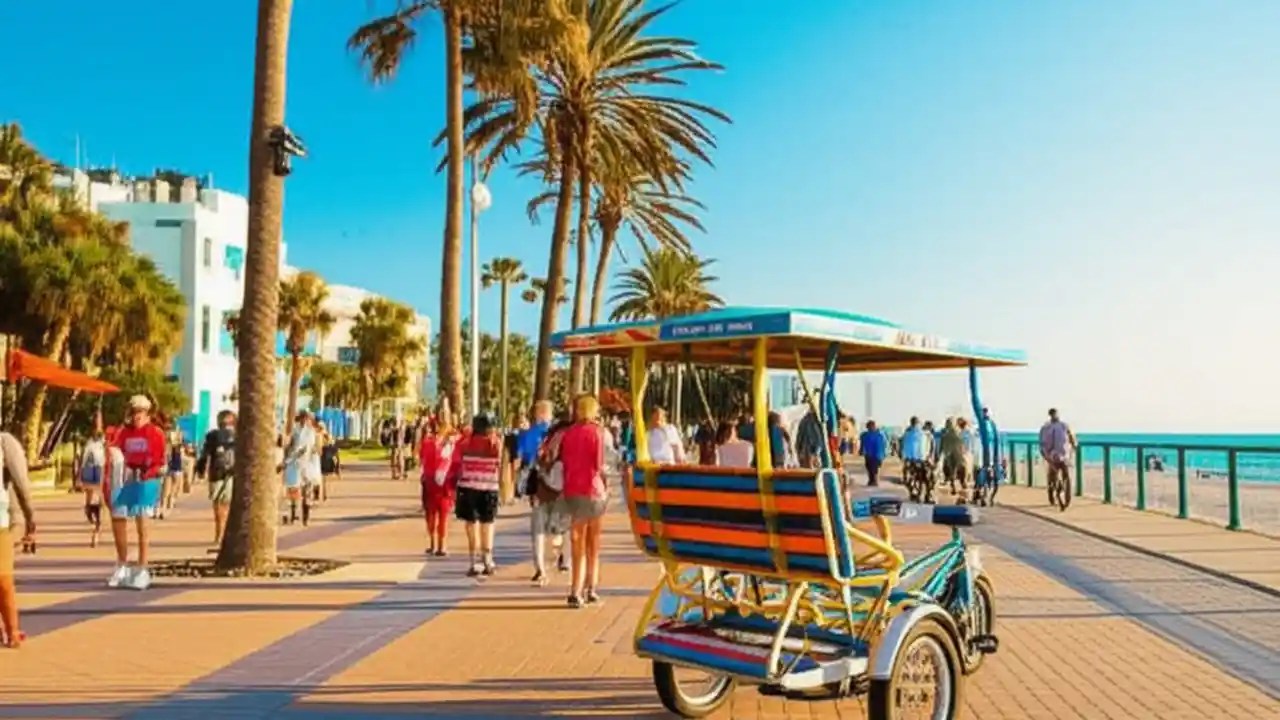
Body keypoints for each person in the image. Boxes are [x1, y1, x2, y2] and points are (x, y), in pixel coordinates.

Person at [107, 395, 166, 590]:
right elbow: (114, 451)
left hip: (147, 480)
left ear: (148, 414)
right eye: (133, 412)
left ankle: (142, 568)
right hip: (126, 478)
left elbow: (159, 461)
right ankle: (122, 563)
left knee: (142, 524)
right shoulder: (124, 433)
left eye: (140, 412)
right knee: (118, 520)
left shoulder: (155, 433)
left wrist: (147, 472)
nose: (136, 416)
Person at [559, 395, 610, 608]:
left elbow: (565, 461)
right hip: (593, 489)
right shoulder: (596, 433)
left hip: (572, 488)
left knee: (577, 540)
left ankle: (575, 589)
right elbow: (599, 464)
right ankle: (591, 586)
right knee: (594, 542)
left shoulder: (568, 434)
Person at [520, 402, 568, 583]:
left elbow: (525, 457)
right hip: (561, 487)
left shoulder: (532, 433)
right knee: (562, 525)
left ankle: (540, 567)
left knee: (538, 528)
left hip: (540, 486)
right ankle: (562, 556)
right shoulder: (560, 433)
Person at [1, 431, 37, 647]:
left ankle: (12, 630)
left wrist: (28, 516)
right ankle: (11, 631)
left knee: (3, 578)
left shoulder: (4, 442)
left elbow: (21, 484)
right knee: (3, 580)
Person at [455, 413, 502, 577]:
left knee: (471, 524)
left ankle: (473, 562)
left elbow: (456, 460)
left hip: (468, 487)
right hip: (490, 487)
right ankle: (487, 559)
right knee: (488, 523)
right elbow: (502, 462)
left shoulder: (465, 443)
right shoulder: (495, 444)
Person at [419, 410, 459, 557]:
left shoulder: (429, 443)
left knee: (432, 514)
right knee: (442, 514)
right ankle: (441, 545)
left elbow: (421, 459)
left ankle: (434, 544)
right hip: (443, 484)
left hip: (432, 483)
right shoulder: (450, 446)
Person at [196, 410, 237, 546]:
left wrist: (200, 470)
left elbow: (204, 455)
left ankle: (220, 534)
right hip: (228, 473)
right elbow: (205, 455)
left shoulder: (213, 436)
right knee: (225, 506)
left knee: (219, 506)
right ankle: (222, 534)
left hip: (219, 474)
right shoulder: (236, 435)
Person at [282, 411, 317, 525]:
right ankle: (293, 514)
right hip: (295, 463)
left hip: (307, 464)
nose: (304, 421)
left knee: (306, 491)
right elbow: (290, 446)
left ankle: (306, 517)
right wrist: (287, 460)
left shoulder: (311, 432)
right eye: (302, 418)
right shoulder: (295, 431)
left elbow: (312, 447)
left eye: (306, 419)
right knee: (294, 491)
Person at [78, 426, 107, 547]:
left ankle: (96, 529)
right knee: (95, 502)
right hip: (93, 472)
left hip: (97, 472)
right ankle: (96, 527)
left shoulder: (98, 446)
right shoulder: (90, 446)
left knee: (97, 502)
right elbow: (83, 461)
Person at [1039, 407, 1076, 484]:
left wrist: (1073, 445)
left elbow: (1071, 436)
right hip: (1053, 455)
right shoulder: (1046, 427)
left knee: (1065, 475)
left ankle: (1064, 491)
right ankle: (1055, 490)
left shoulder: (1063, 425)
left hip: (1062, 454)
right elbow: (1042, 441)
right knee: (1053, 476)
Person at [900, 416, 931, 500]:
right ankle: (928, 495)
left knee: (906, 478)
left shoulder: (907, 434)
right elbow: (930, 447)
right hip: (922, 459)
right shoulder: (925, 434)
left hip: (910, 459)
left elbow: (902, 446)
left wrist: (903, 457)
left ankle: (913, 492)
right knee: (928, 478)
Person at [159, 425, 184, 520]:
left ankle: (166, 506)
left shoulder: (173, 444)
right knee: (167, 490)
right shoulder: (168, 445)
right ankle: (164, 509)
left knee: (170, 488)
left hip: (174, 468)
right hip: (171, 468)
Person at [859, 420, 887, 487]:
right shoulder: (864, 435)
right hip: (869, 455)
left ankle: (874, 480)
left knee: (875, 468)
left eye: (871, 426)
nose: (870, 428)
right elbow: (862, 444)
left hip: (877, 455)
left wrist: (884, 454)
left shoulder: (880, 435)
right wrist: (861, 450)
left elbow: (884, 445)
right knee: (869, 467)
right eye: (869, 427)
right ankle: (871, 480)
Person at [320, 430, 341, 501]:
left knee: (326, 481)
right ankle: (323, 494)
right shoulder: (322, 447)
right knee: (323, 481)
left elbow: (336, 458)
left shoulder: (331, 447)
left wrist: (337, 469)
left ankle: (324, 493)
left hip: (328, 465)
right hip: (322, 465)